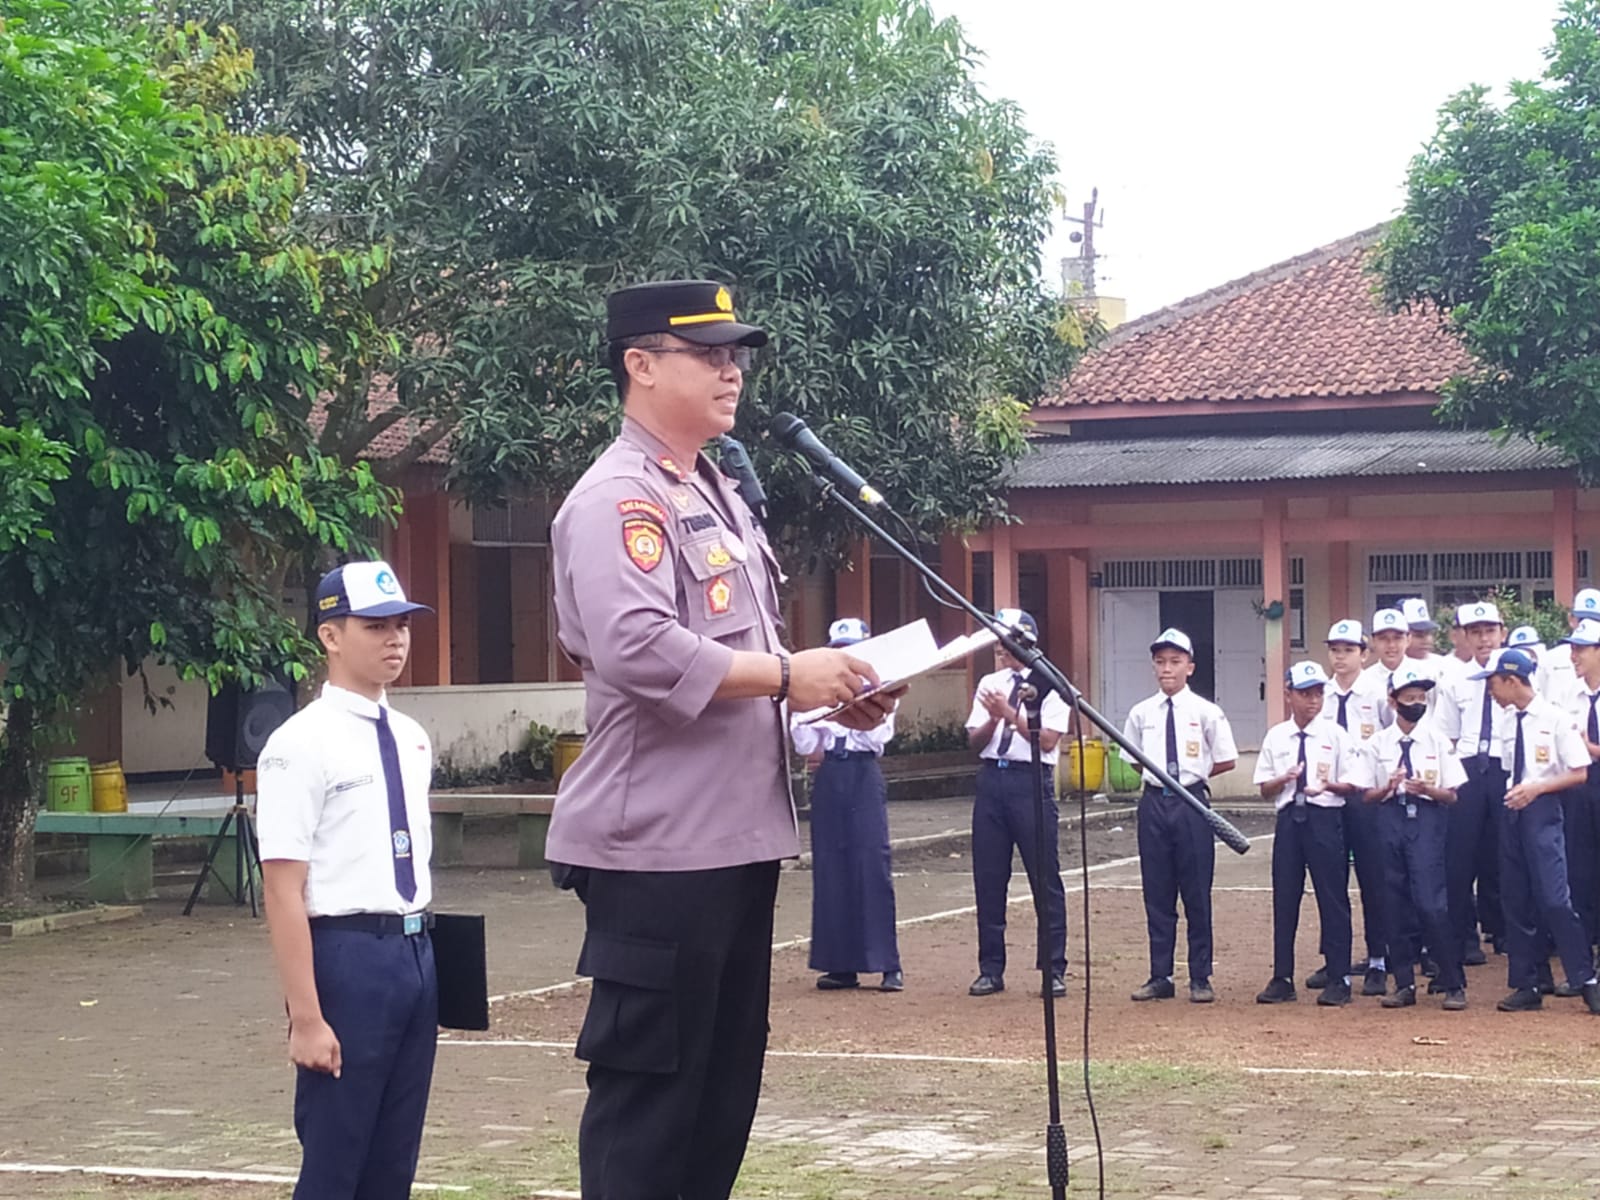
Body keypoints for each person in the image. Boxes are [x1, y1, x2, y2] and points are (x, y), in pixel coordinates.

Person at [544, 279, 897, 1200]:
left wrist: (823, 698)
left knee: (718, 1100)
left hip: (738, 839)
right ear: (641, 364)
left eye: (736, 354)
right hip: (657, 848)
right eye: (708, 353)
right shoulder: (618, 499)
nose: (731, 369)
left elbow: (746, 655)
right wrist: (790, 676)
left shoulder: (719, 491)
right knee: (651, 1107)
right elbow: (638, 648)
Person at [256, 560, 439, 1200]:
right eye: (375, 626)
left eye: (402, 626)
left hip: (416, 954)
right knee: (337, 1161)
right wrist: (306, 1015)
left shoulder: (412, 738)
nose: (395, 640)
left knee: (394, 1161)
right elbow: (282, 888)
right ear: (330, 635)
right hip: (347, 956)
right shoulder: (297, 743)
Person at [1470, 648, 1600, 1014]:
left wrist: (1537, 789)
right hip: (1514, 810)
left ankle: (1584, 977)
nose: (1491, 693)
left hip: (1543, 810)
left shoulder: (1556, 719)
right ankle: (1528, 981)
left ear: (1513, 680)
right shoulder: (1509, 720)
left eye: (1494, 684)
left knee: (1555, 898)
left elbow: (1579, 771)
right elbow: (1513, 770)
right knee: (1516, 900)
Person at [1123, 627, 1238, 1004]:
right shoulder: (1141, 713)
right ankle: (1161, 974)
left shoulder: (1206, 711)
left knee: (1195, 892)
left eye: (1175, 662)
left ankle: (1200, 975)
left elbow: (1224, 759)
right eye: (1160, 662)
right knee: (1157, 891)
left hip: (1191, 802)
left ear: (1190, 666)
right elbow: (1135, 761)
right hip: (1155, 802)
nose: (1166, 669)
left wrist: (1191, 779)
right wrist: (1162, 782)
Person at [790, 617, 903, 993]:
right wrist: (832, 718)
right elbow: (805, 739)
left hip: (862, 773)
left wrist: (843, 717)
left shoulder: (880, 688)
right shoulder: (817, 692)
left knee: (871, 863)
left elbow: (876, 735)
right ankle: (840, 965)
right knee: (831, 865)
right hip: (831, 775)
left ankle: (887, 962)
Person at [964, 608, 1071, 999]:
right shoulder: (990, 682)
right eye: (997, 642)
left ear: (1026, 641)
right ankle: (990, 968)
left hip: (1031, 781)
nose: (999, 649)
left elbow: (1046, 740)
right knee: (989, 879)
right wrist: (994, 720)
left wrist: (1009, 713)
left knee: (1044, 878)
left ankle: (1053, 969)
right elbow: (974, 740)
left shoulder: (1051, 682)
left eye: (1007, 641)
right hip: (994, 778)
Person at [1350, 664, 1468, 1010]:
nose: (1416, 703)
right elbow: (1364, 796)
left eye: (1421, 698)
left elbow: (1453, 795)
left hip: (1427, 819)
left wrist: (1428, 789)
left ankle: (1452, 980)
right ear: (1393, 701)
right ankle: (1403, 983)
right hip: (1389, 819)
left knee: (1431, 903)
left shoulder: (1437, 741)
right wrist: (1387, 787)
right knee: (1393, 903)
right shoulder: (1377, 744)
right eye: (1409, 697)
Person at [1254, 662, 1359, 1007]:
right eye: (1304, 694)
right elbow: (1264, 789)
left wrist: (1330, 785)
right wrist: (1283, 779)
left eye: (1318, 694)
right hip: (1289, 820)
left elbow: (1353, 784)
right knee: (1285, 898)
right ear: (1288, 695)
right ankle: (1282, 976)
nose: (1313, 701)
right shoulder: (1277, 736)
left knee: (1332, 897)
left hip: (1325, 818)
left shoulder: (1336, 735)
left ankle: (1339, 975)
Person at [1435, 602, 1508, 966]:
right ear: (1464, 636)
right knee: (1459, 858)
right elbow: (1445, 737)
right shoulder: (1454, 681)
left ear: (1502, 633)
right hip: (1466, 770)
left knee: (1506, 853)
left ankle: (1506, 929)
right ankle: (1465, 937)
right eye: (1476, 632)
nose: (1484, 639)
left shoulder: (1519, 674)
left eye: (1490, 630)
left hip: (1505, 767)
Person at [1321, 619, 1390, 995]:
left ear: (1364, 654)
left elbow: (1395, 739)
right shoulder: (1321, 696)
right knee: (1331, 882)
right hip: (1331, 797)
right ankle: (1335, 960)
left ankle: (1379, 959)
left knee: (1373, 880)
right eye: (1335, 650)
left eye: (1348, 650)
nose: (1340, 657)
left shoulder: (1378, 693)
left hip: (1367, 797)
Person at [1557, 618, 1600, 949]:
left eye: (1582, 649)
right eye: (1573, 648)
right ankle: (1584, 959)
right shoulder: (1568, 695)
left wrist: (1591, 750)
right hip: (1579, 788)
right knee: (1581, 870)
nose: (1574, 656)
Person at [1360, 608, 1410, 712]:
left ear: (1408, 639)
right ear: (1373, 641)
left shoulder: (1426, 675)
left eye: (1397, 638)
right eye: (1383, 638)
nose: (1391, 645)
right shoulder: (1364, 680)